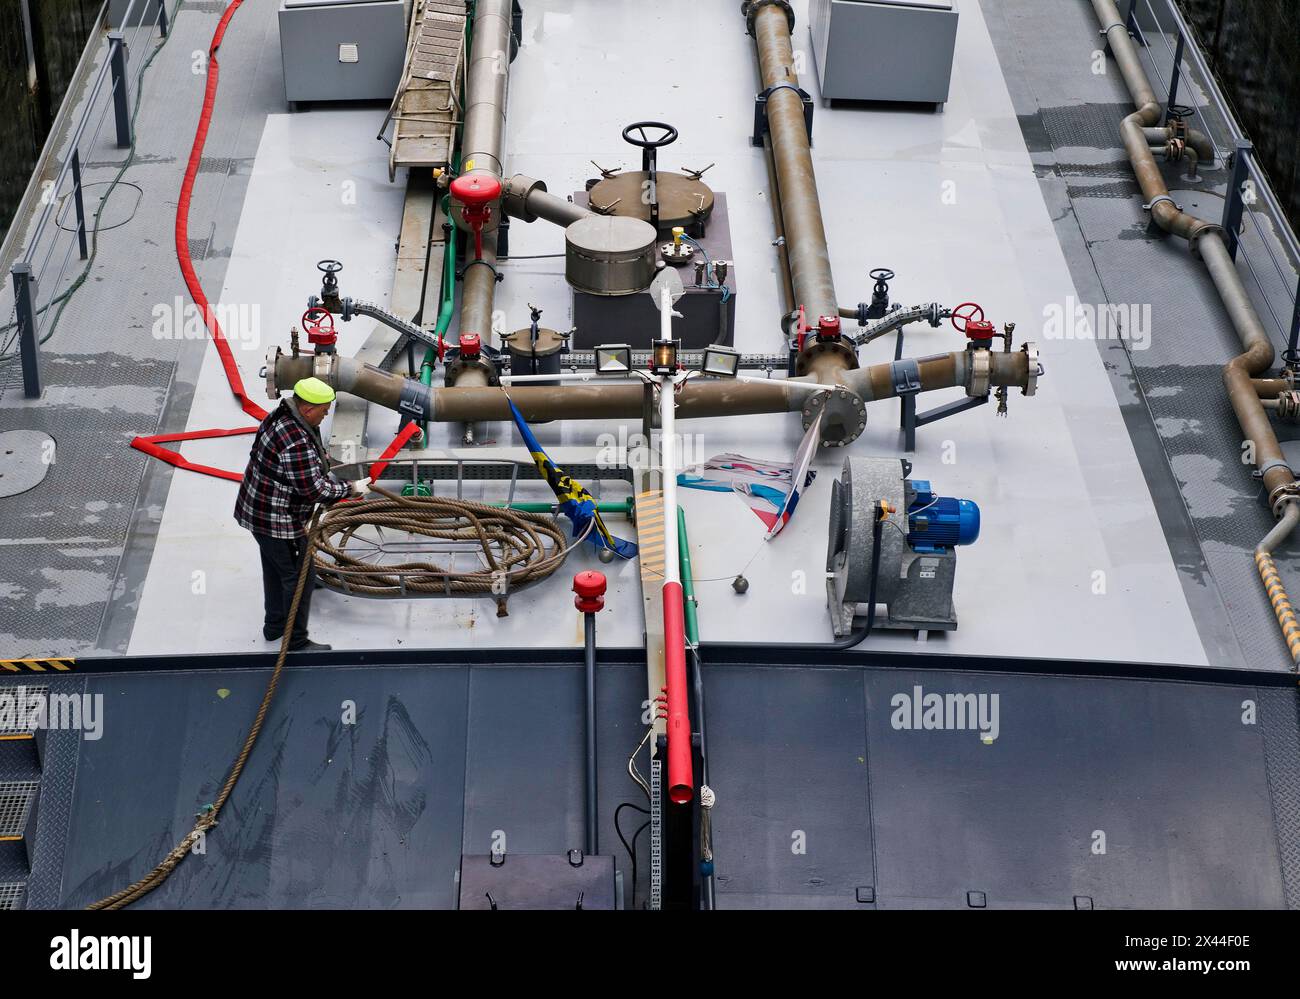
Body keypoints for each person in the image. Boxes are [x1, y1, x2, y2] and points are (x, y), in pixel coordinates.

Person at [234, 377, 371, 651]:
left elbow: (308, 463)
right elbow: (314, 492)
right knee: (299, 578)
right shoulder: (295, 441)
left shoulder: (284, 418)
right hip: (275, 519)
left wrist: (325, 464)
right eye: (324, 409)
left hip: (260, 512)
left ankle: (273, 627)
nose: (327, 413)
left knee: (275, 568)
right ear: (308, 409)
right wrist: (351, 488)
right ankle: (295, 641)